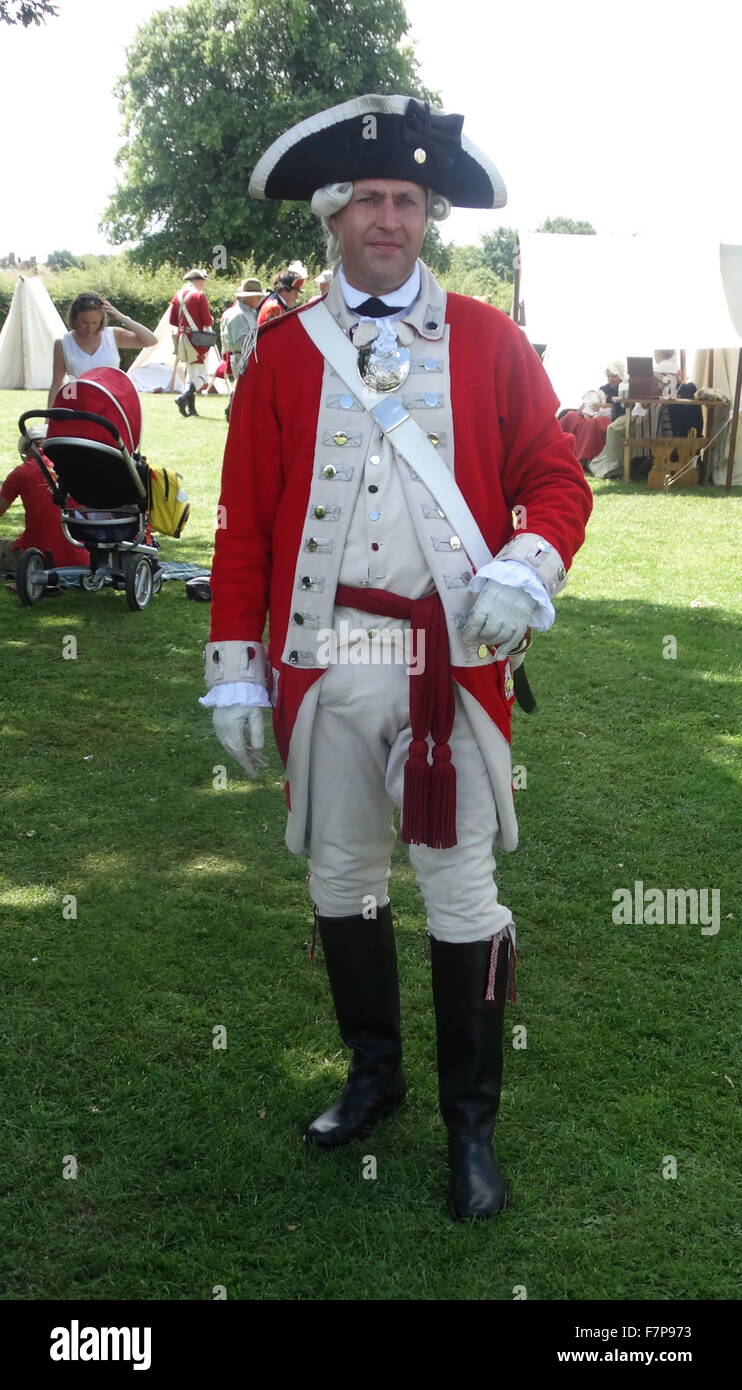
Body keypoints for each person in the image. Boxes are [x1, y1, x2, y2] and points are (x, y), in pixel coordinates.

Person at [202, 94, 592, 1221]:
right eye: (368, 198)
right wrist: (237, 659)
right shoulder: (281, 354)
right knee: (340, 878)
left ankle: (472, 1126)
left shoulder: (488, 339)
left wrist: (527, 563)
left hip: (448, 669)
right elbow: (246, 525)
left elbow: (555, 480)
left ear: (428, 215)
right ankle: (374, 1075)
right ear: (332, 215)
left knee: (462, 886)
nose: (388, 217)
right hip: (328, 663)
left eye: (407, 200)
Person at [0, 424, 90, 576]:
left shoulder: (21, 473)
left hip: (36, 558)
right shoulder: (78, 468)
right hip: (82, 560)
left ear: (28, 449)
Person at [48, 293, 156, 406]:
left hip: (112, 404)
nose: (90, 328)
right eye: (84, 322)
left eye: (95, 322)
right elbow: (57, 383)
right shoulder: (63, 343)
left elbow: (151, 340)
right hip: (79, 405)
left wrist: (121, 317)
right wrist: (48, 418)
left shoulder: (112, 335)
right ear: (75, 318)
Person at [169, 269, 215, 417]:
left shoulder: (178, 295)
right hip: (197, 340)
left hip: (183, 338)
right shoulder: (199, 295)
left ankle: (192, 410)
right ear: (199, 281)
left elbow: (172, 321)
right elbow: (207, 321)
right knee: (202, 376)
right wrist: (211, 320)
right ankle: (183, 397)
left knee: (191, 373)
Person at [220, 277, 265, 420]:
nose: (259, 298)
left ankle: (234, 410)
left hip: (240, 356)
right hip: (242, 357)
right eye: (257, 296)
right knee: (245, 389)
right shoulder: (240, 315)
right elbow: (242, 341)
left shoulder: (242, 311)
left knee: (241, 387)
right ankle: (234, 412)